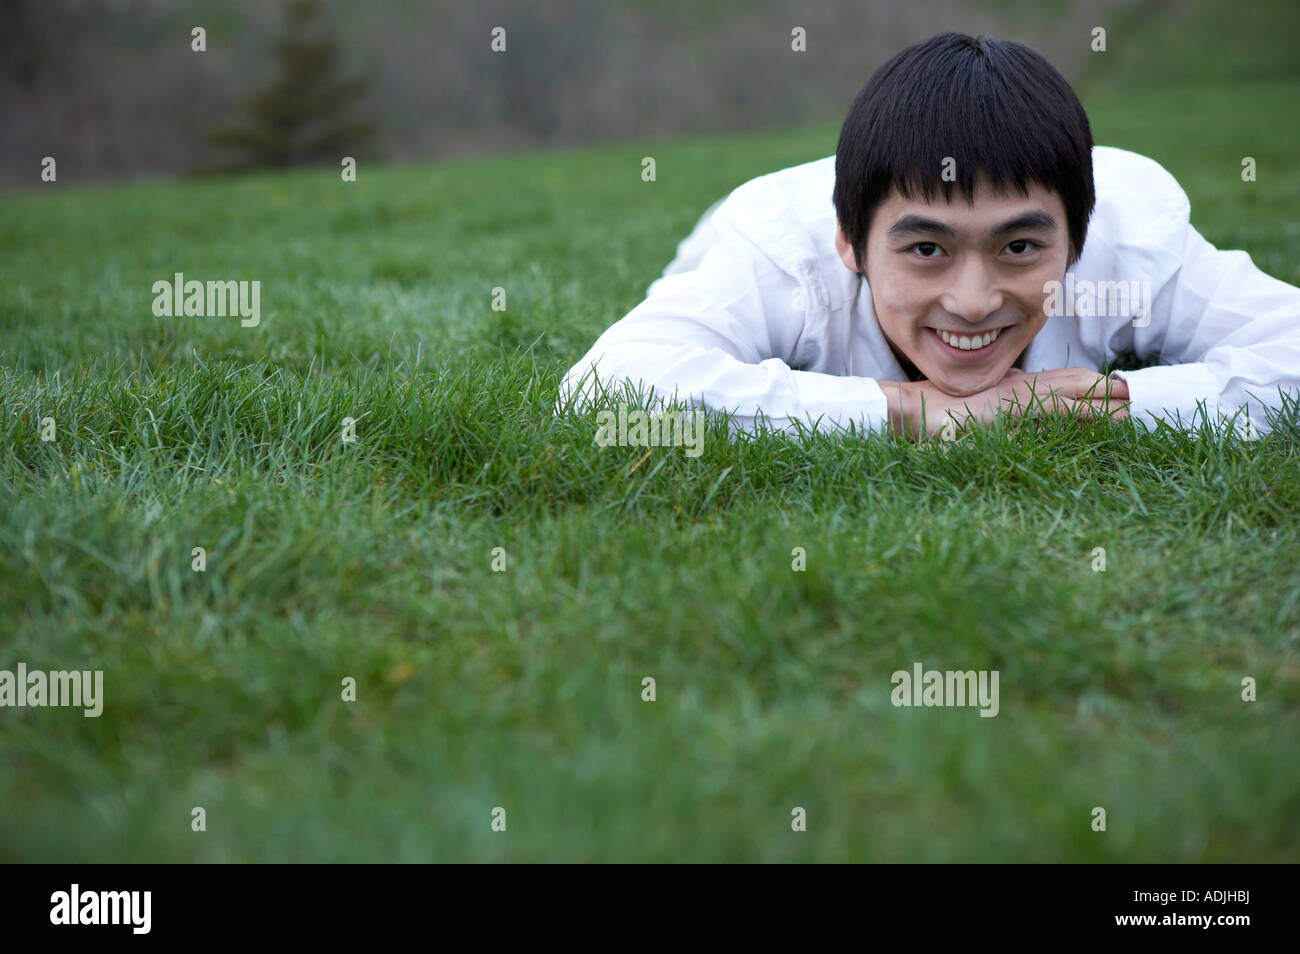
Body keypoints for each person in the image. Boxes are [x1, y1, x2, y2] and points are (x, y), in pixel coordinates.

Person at [556, 32, 1300, 441]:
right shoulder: (780, 248)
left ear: (1077, 240)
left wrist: (1112, 401)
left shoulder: (1132, 234)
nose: (974, 303)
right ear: (851, 243)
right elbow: (602, 392)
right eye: (926, 250)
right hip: (749, 223)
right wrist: (910, 411)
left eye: (1018, 248)